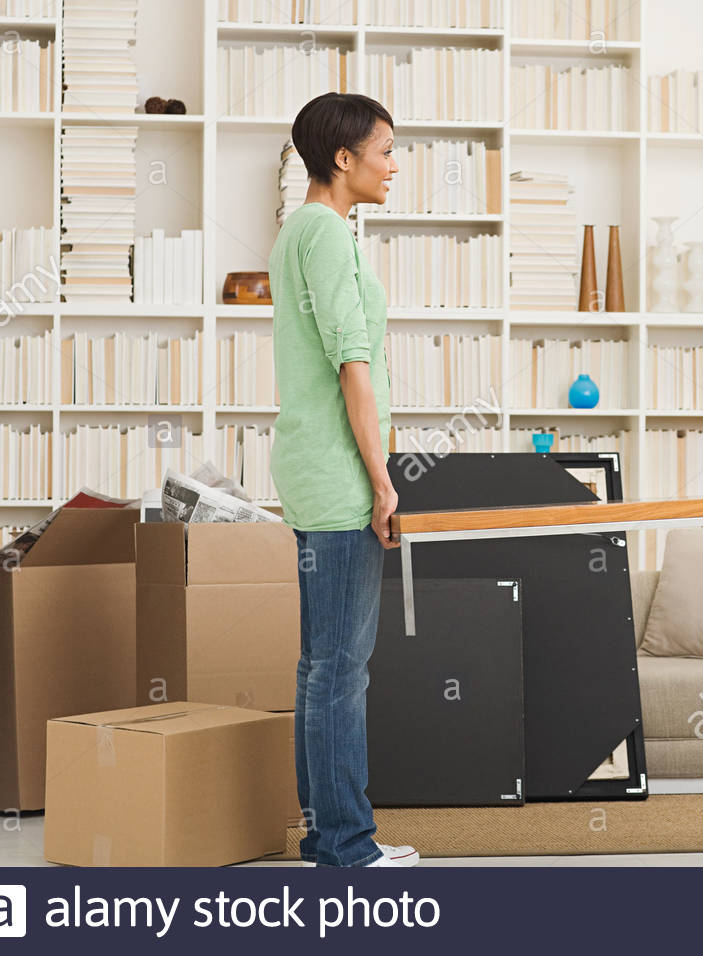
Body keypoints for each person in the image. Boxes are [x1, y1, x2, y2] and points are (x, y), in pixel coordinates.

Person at [268, 91, 416, 868]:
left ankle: (326, 835)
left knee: (322, 664)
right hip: (337, 476)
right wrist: (383, 482)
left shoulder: (305, 231)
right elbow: (352, 366)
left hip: (317, 468)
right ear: (343, 158)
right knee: (340, 669)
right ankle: (347, 848)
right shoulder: (324, 234)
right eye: (386, 150)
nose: (396, 164)